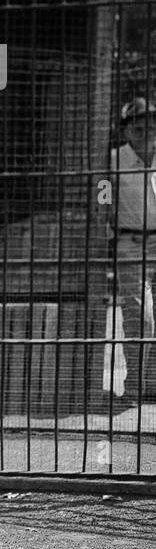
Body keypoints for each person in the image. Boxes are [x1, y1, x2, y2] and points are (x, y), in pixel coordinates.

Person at [109, 96, 156, 400]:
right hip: (130, 244)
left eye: (152, 127)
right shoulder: (113, 161)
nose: (147, 133)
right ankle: (135, 386)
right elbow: (102, 198)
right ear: (126, 131)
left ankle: (152, 386)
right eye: (138, 128)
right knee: (142, 316)